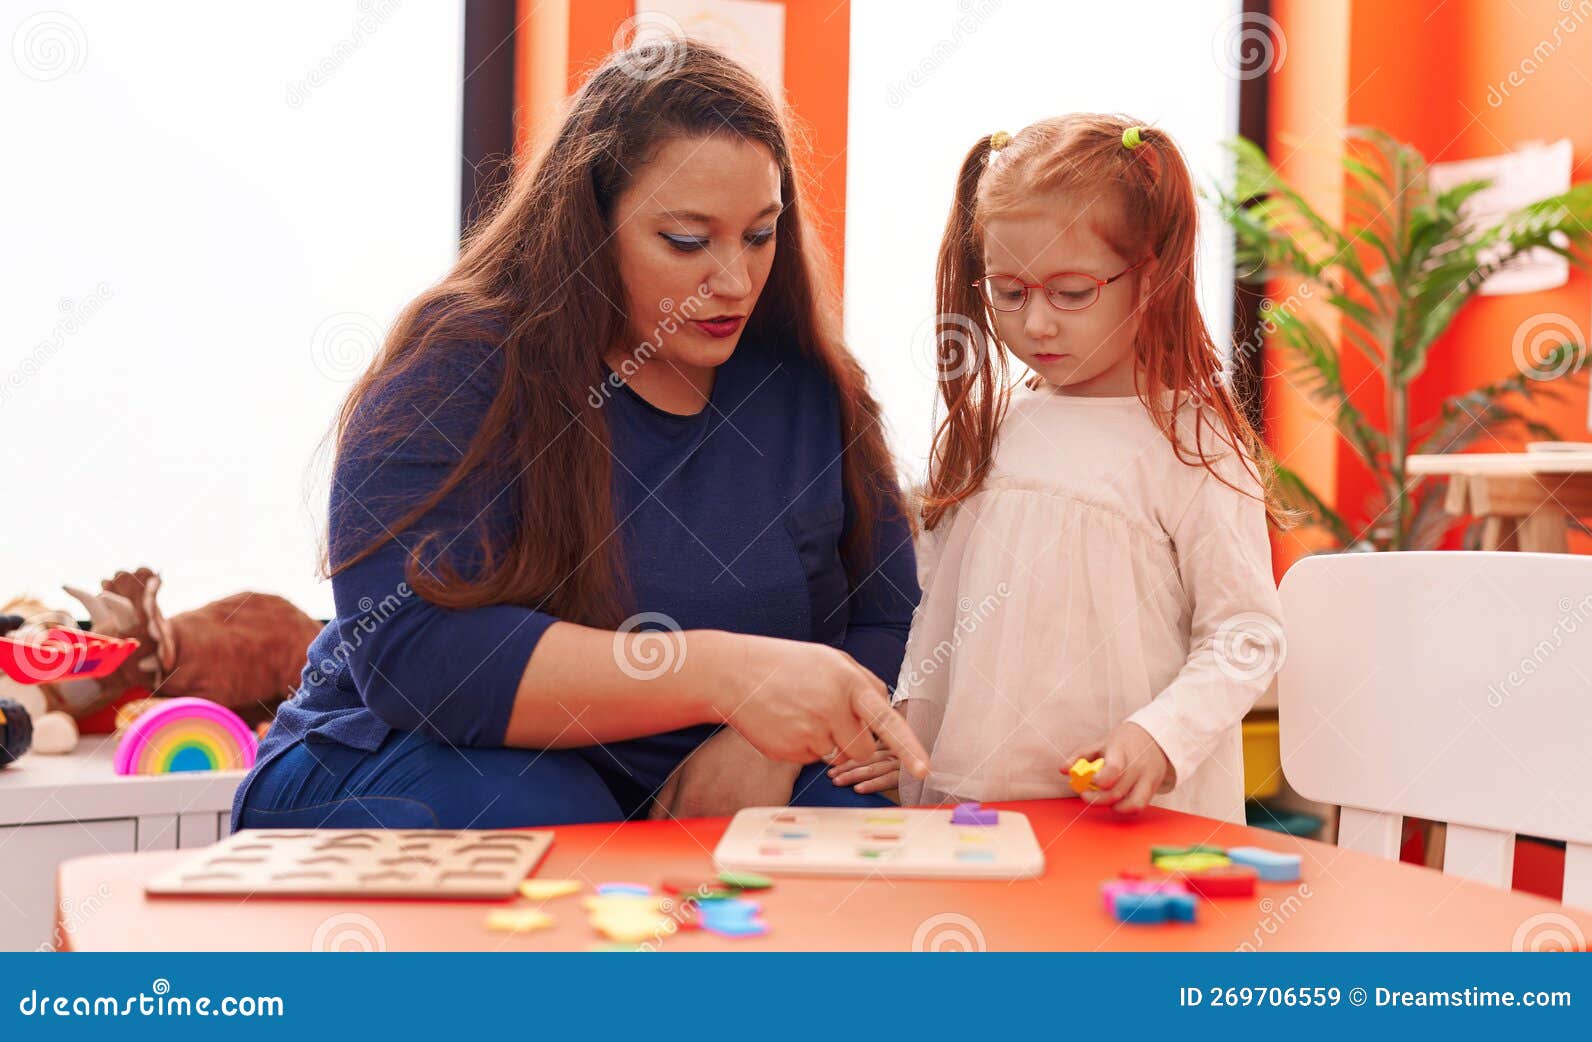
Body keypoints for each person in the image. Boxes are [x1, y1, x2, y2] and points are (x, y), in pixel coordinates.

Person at [231, 41, 928, 832]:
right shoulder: (461, 362)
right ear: (589, 223)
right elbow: (414, 653)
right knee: (554, 811)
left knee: (839, 815)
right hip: (408, 753)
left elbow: (891, 623)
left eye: (761, 234)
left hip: (684, 779)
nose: (734, 281)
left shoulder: (809, 390)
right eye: (689, 242)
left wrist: (764, 741)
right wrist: (724, 677)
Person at [881, 117, 1290, 823]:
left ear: (1150, 275)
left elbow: (1245, 633)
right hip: (983, 806)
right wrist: (904, 728)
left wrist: (1159, 738)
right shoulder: (996, 426)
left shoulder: (1191, 441)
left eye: (1070, 293)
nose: (1036, 323)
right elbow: (937, 613)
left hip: (1130, 815)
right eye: (1008, 293)